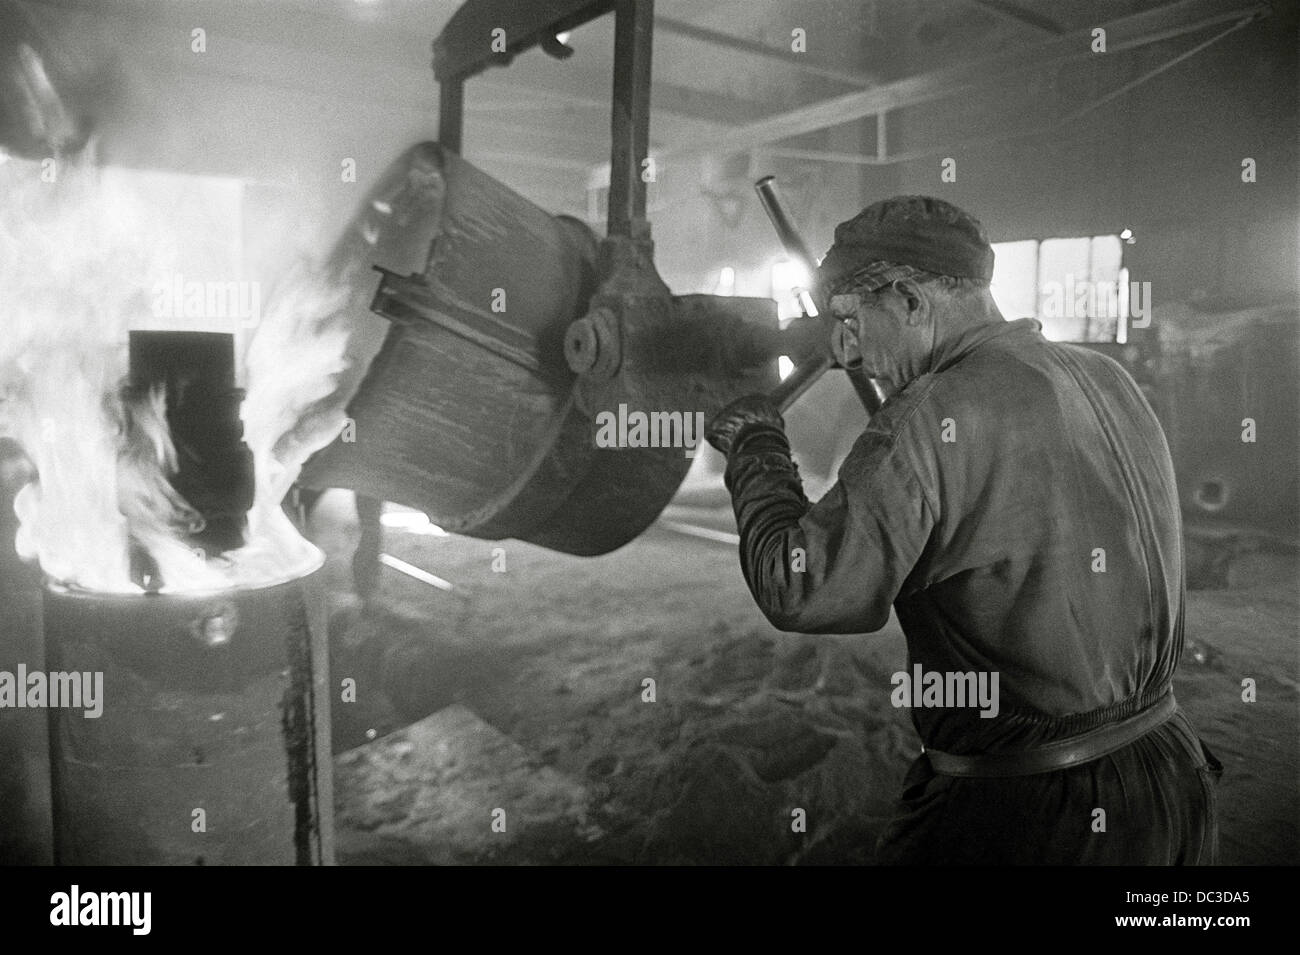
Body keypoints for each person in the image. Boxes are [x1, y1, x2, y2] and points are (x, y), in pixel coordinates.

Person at [704, 196, 1221, 865]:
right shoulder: (1107, 377)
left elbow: (800, 584)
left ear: (912, 300)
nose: (843, 352)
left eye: (851, 322)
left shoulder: (929, 416)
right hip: (1172, 780)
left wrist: (756, 451)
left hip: (1032, 817)